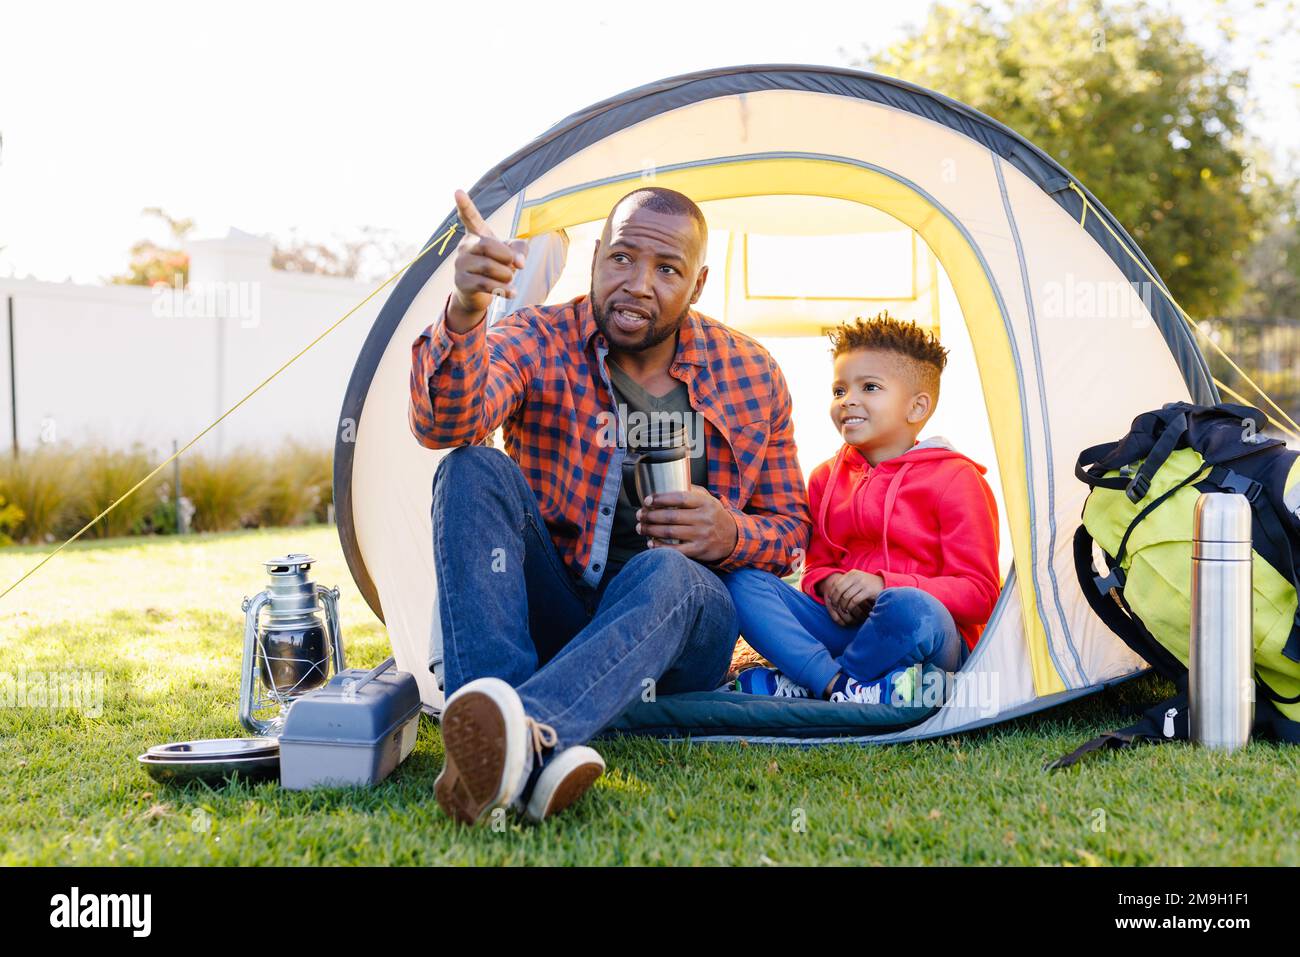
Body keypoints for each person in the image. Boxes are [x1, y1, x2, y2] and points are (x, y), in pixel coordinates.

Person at [409, 186, 810, 824]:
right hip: (561, 611)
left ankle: (511, 737)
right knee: (470, 464)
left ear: (698, 284)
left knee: (670, 571)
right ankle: (506, 725)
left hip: (682, 630)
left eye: (667, 270)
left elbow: (792, 533)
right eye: (622, 258)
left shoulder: (753, 373)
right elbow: (447, 423)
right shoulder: (540, 337)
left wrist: (730, 533)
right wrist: (465, 309)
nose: (638, 284)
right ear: (596, 257)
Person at [722, 311, 1000, 704]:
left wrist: (885, 585)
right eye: (839, 391)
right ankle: (843, 686)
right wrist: (830, 584)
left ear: (917, 408)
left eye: (869, 387)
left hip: (926, 640)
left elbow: (979, 593)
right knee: (743, 582)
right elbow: (816, 566)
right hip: (845, 628)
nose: (848, 400)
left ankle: (818, 683)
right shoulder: (825, 477)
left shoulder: (957, 479)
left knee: (911, 607)